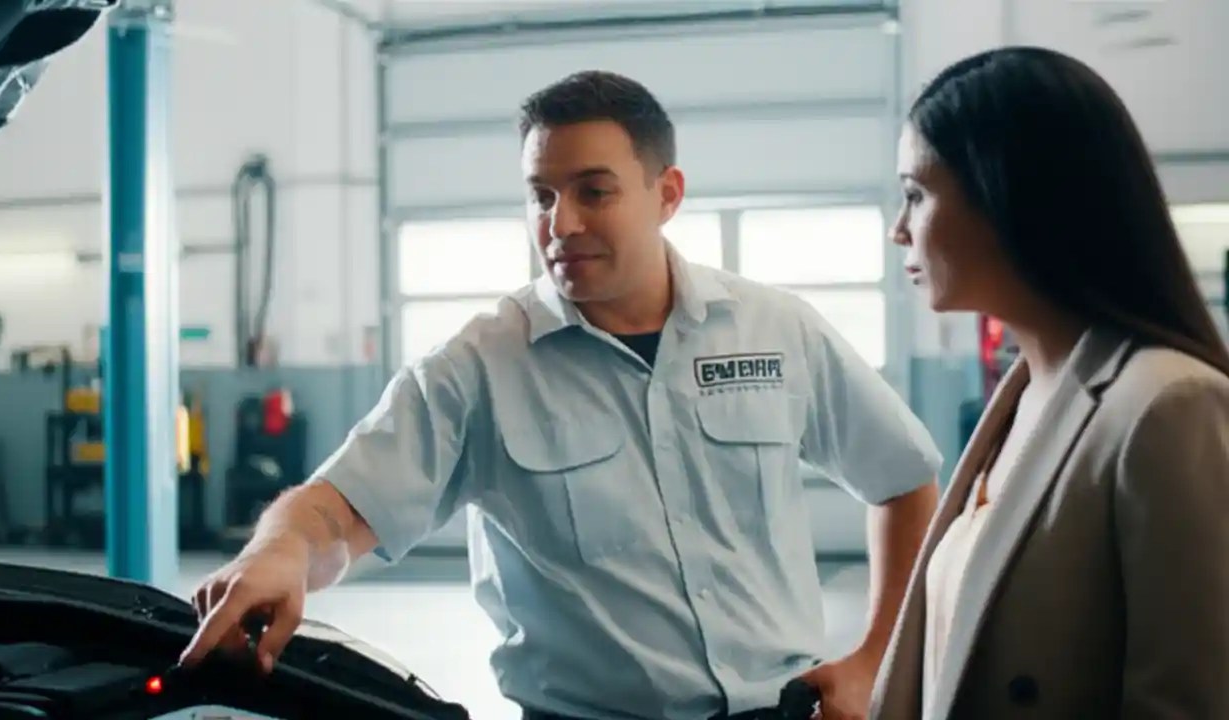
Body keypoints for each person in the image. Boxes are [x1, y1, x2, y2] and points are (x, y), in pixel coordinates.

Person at [181, 70, 943, 720]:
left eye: (593, 192)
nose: (560, 224)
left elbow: (902, 476)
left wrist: (877, 656)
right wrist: (278, 550)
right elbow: (331, 510)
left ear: (666, 193)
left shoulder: (777, 330)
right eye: (540, 195)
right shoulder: (479, 366)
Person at [870, 46, 1229, 720]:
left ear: (1006, 192)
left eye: (915, 194)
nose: (899, 230)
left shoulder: (1166, 404)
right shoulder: (1023, 396)